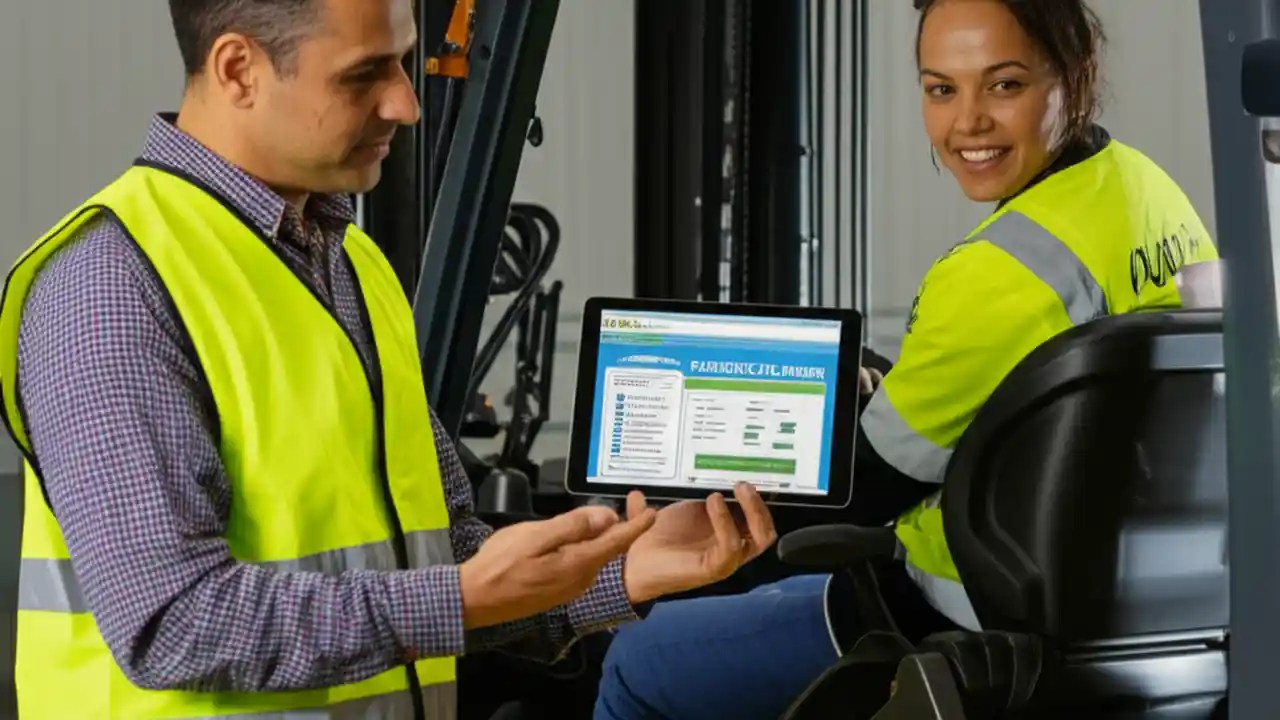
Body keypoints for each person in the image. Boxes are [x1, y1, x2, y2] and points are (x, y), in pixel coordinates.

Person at [0, 1, 778, 718]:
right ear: (239, 69)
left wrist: (621, 571)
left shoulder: (353, 265)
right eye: (365, 73)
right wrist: (461, 599)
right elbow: (171, 624)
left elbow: (439, 557)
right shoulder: (113, 283)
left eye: (402, 64)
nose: (404, 103)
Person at [593, 0, 1220, 717]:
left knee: (638, 659)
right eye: (941, 88)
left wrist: (702, 499)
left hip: (945, 616)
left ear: (1072, 76)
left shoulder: (1002, 270)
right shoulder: (1145, 189)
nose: (967, 122)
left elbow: (864, 487)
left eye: (1004, 84)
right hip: (1124, 619)